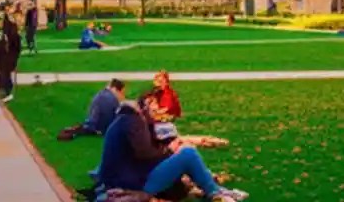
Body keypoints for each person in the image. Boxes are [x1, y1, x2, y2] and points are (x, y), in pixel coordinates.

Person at [98, 94, 247, 201]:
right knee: (188, 153)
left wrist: (168, 151)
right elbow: (144, 153)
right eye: (154, 109)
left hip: (129, 178)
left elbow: (143, 153)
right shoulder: (133, 121)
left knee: (185, 154)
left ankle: (215, 190)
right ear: (144, 107)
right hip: (133, 183)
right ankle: (215, 193)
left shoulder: (127, 121)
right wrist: (169, 151)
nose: (157, 113)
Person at [58, 78, 125, 141]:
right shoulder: (113, 100)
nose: (122, 96)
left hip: (91, 124)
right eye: (122, 93)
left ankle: (75, 130)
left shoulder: (100, 94)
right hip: (102, 129)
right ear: (115, 89)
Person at [0, 32, 17, 102]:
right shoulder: (4, 45)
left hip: (4, 63)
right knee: (4, 76)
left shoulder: (0, 46)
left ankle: (7, 93)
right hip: (4, 63)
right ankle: (6, 92)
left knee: (4, 76)